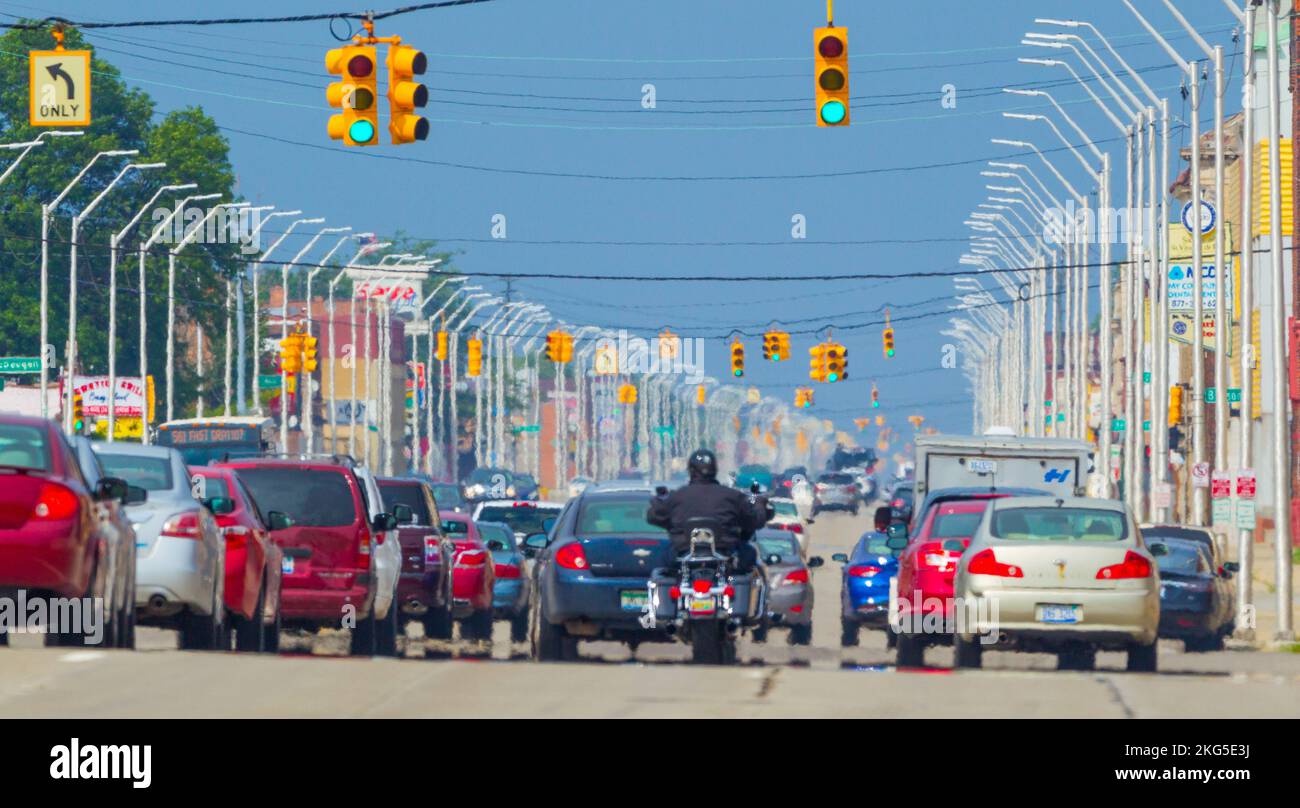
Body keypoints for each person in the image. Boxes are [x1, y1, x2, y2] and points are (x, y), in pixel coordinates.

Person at [646, 448, 771, 571]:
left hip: (683, 553)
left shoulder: (677, 496)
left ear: (690, 470)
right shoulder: (732, 496)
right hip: (725, 553)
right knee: (750, 555)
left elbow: (654, 516)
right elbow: (754, 520)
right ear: (714, 469)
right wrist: (760, 505)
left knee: (663, 558)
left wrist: (667, 517)